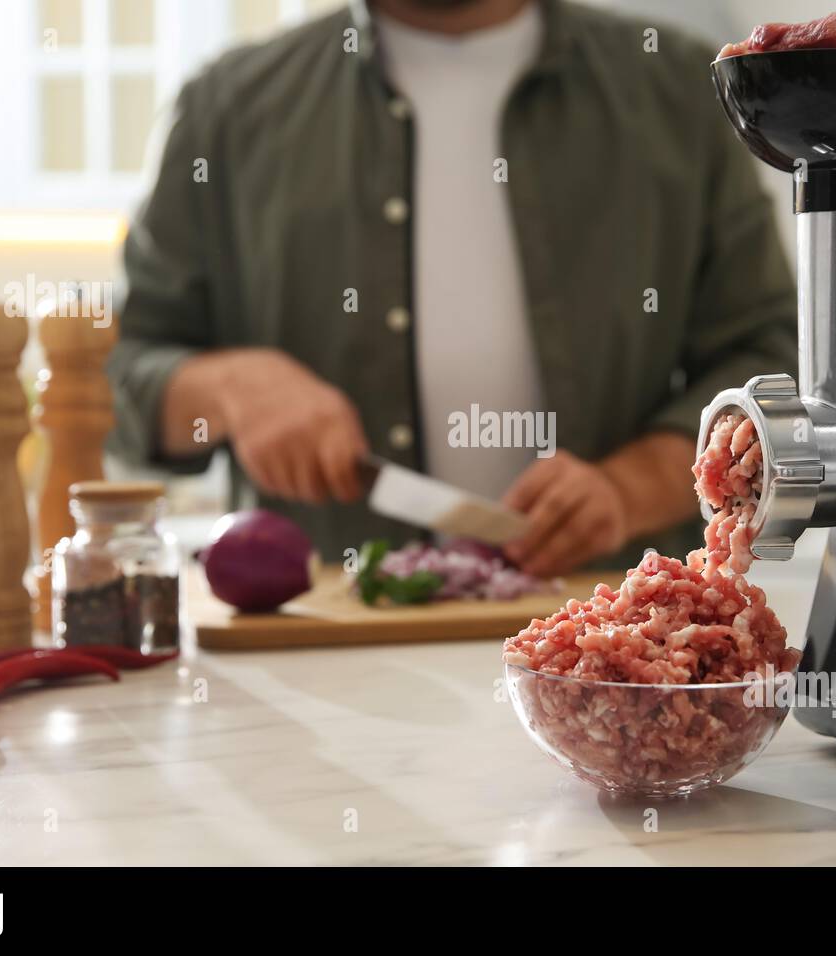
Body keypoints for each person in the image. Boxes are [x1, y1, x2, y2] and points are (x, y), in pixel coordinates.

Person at [107, 0, 796, 576]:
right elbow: (114, 381)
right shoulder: (226, 110)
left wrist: (627, 489)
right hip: (320, 663)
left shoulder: (677, 89)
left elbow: (771, 359)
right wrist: (231, 388)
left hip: (621, 658)